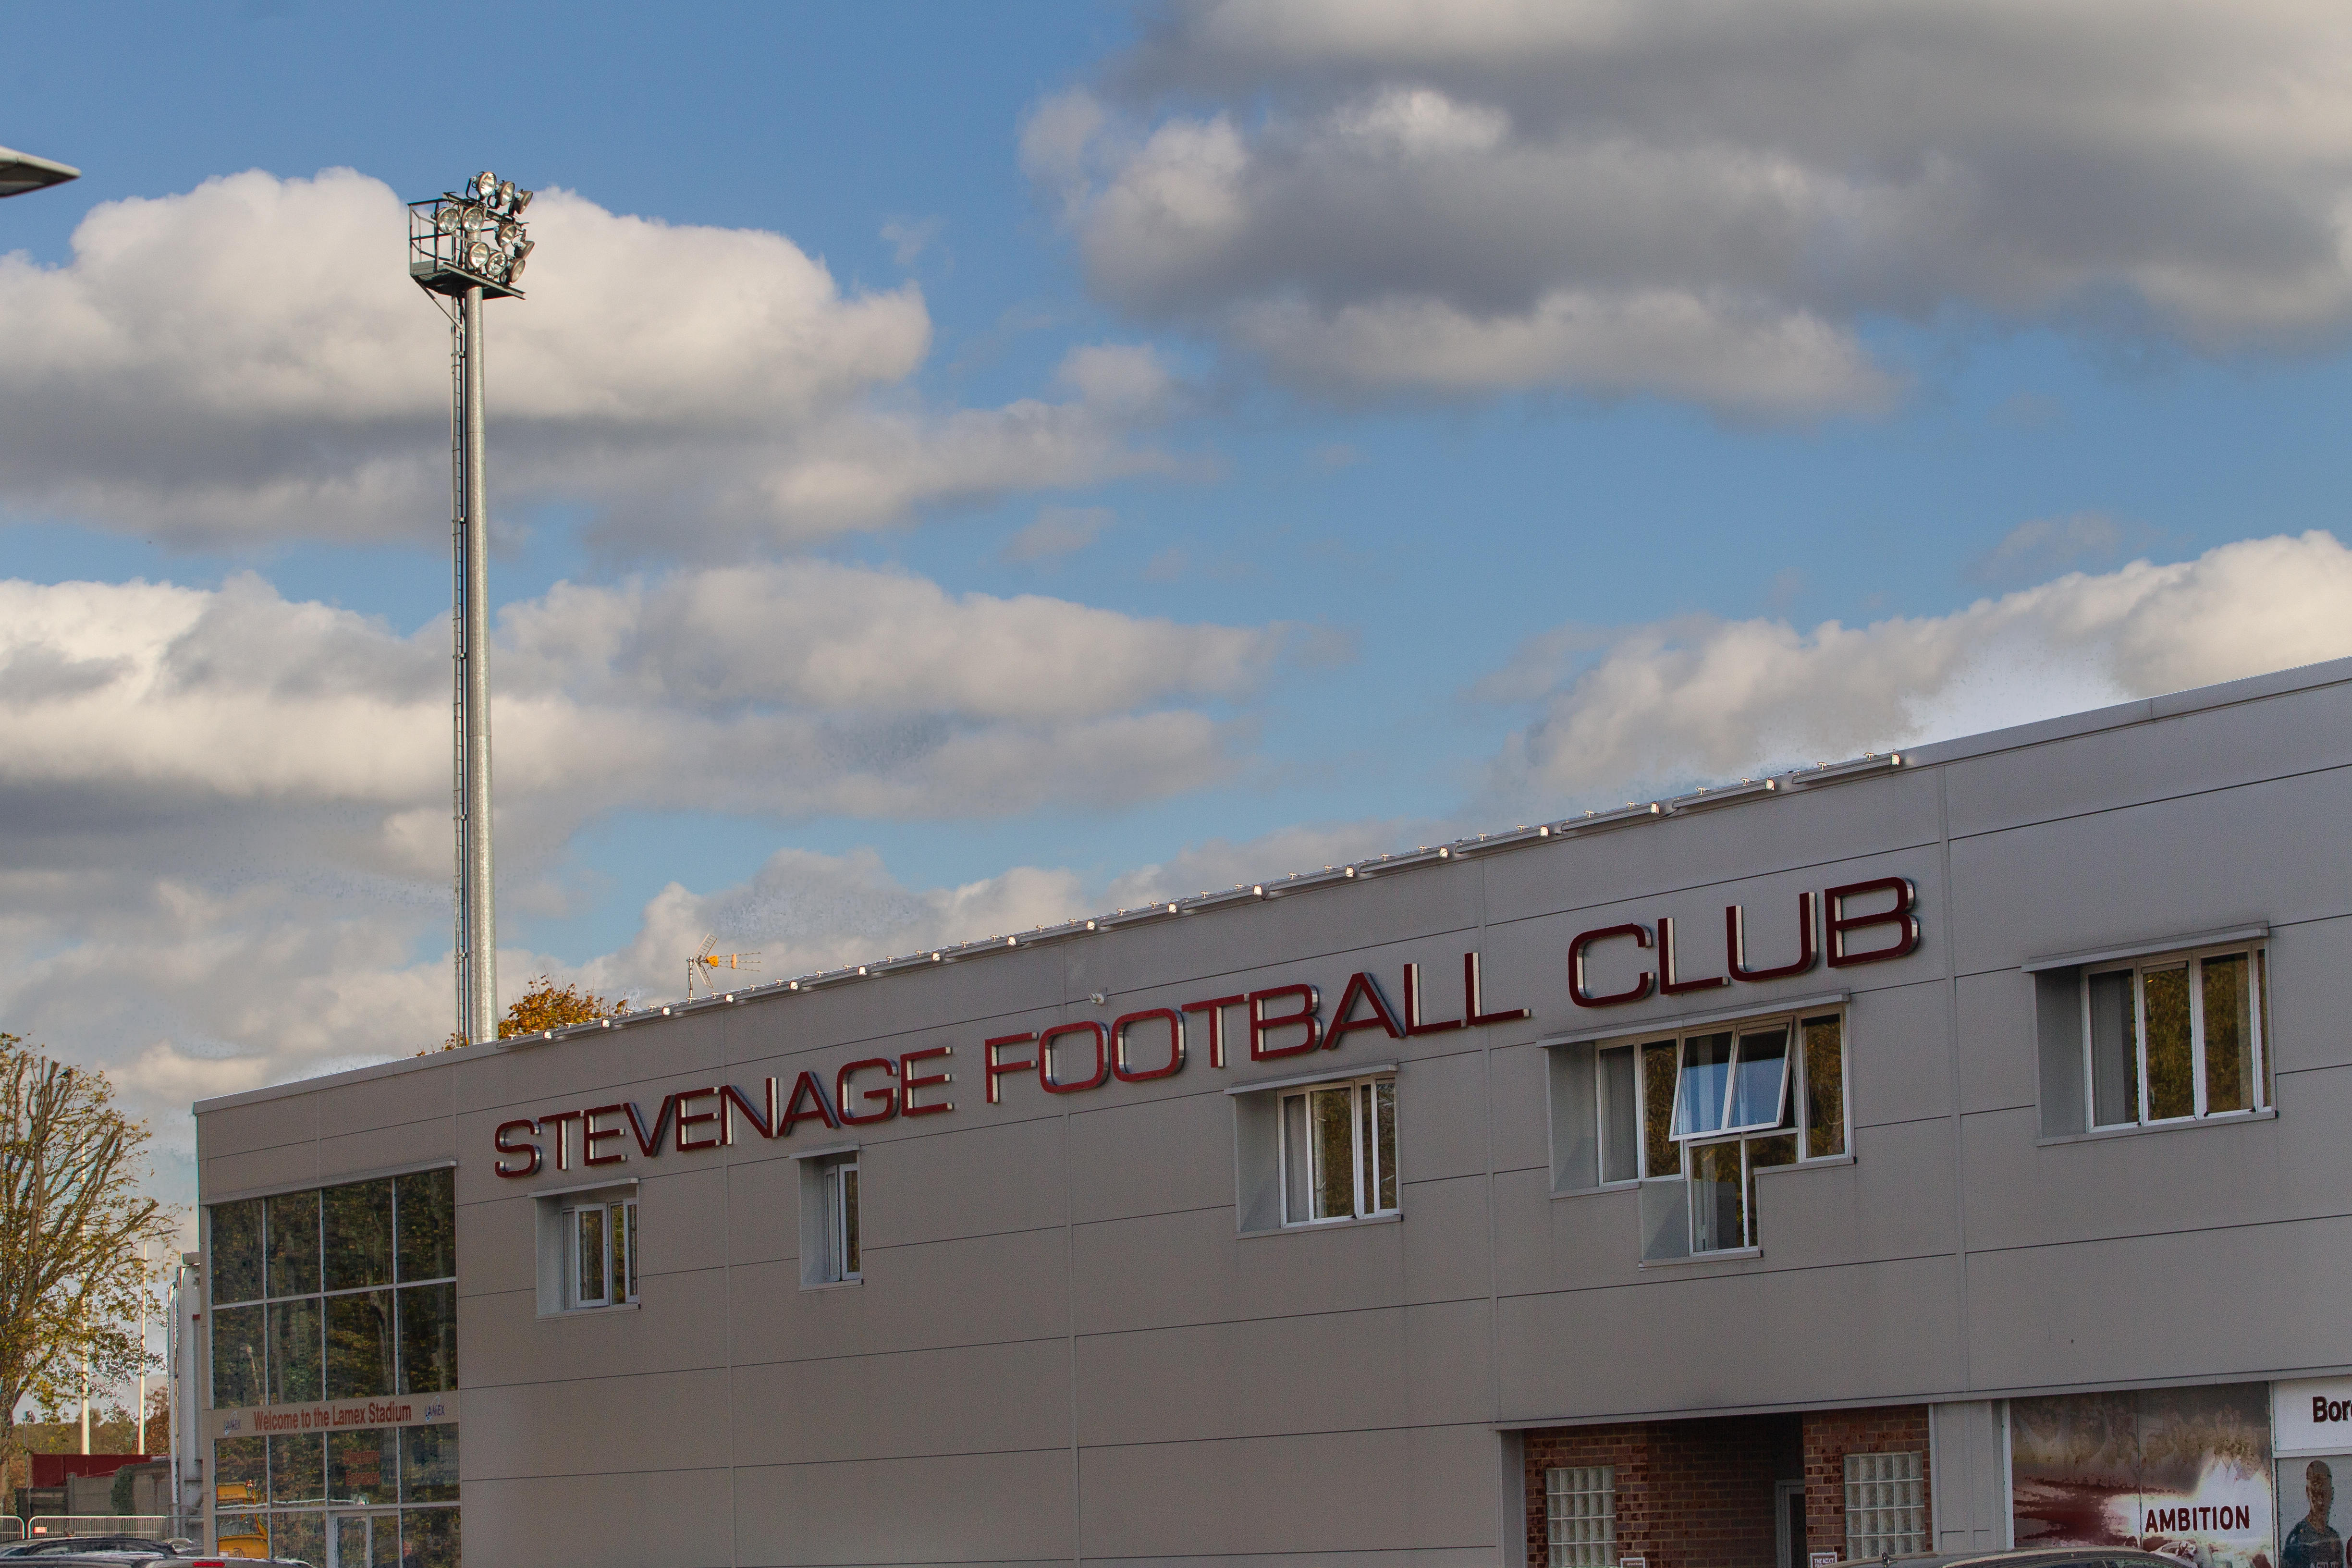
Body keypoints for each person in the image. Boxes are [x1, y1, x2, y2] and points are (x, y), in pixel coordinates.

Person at [2284, 1460, 2345, 1568]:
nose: (2320, 1499)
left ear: (2331, 1493)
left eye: (2324, 1491)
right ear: (2308, 1492)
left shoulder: (2334, 1537)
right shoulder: (2299, 1537)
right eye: (2316, 1491)